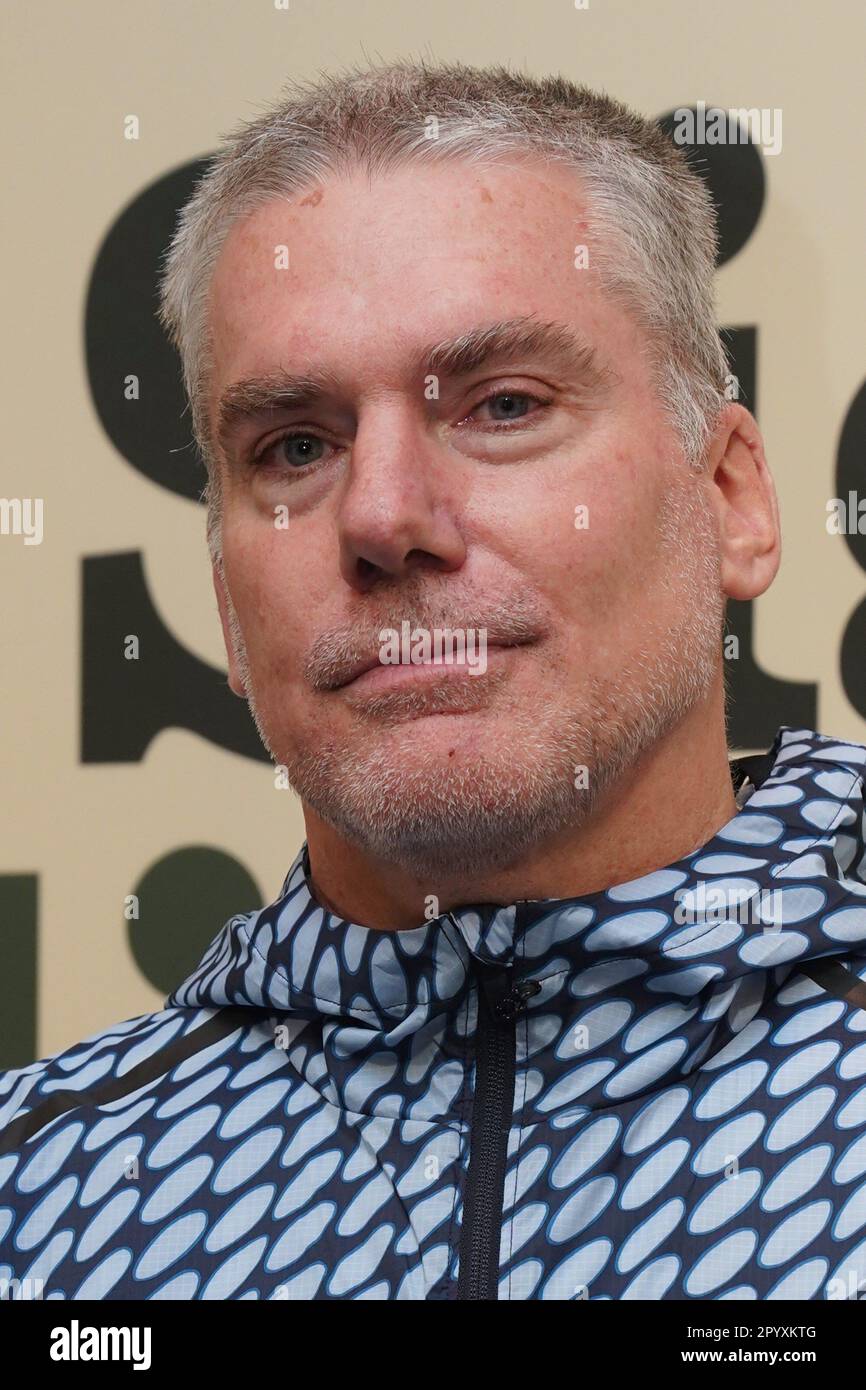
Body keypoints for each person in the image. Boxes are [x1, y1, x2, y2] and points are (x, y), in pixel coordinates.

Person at [2, 59, 865, 1303]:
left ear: (728, 499)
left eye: (502, 404)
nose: (384, 514)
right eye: (295, 445)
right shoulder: (39, 1200)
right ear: (224, 600)